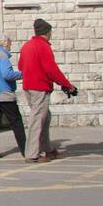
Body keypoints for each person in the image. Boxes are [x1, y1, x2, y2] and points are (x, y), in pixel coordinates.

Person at [18, 18, 76, 163]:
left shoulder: (27, 46)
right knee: (37, 120)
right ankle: (32, 154)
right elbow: (51, 70)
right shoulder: (43, 46)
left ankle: (48, 149)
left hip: (29, 87)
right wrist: (67, 84)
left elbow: (20, 66)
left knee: (44, 118)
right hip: (40, 87)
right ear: (47, 32)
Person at [0, 34, 27, 159]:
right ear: (4, 44)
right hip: (3, 95)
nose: (10, 45)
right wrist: (24, 73)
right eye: (9, 43)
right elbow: (7, 74)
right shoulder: (3, 57)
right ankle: (25, 150)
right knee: (16, 122)